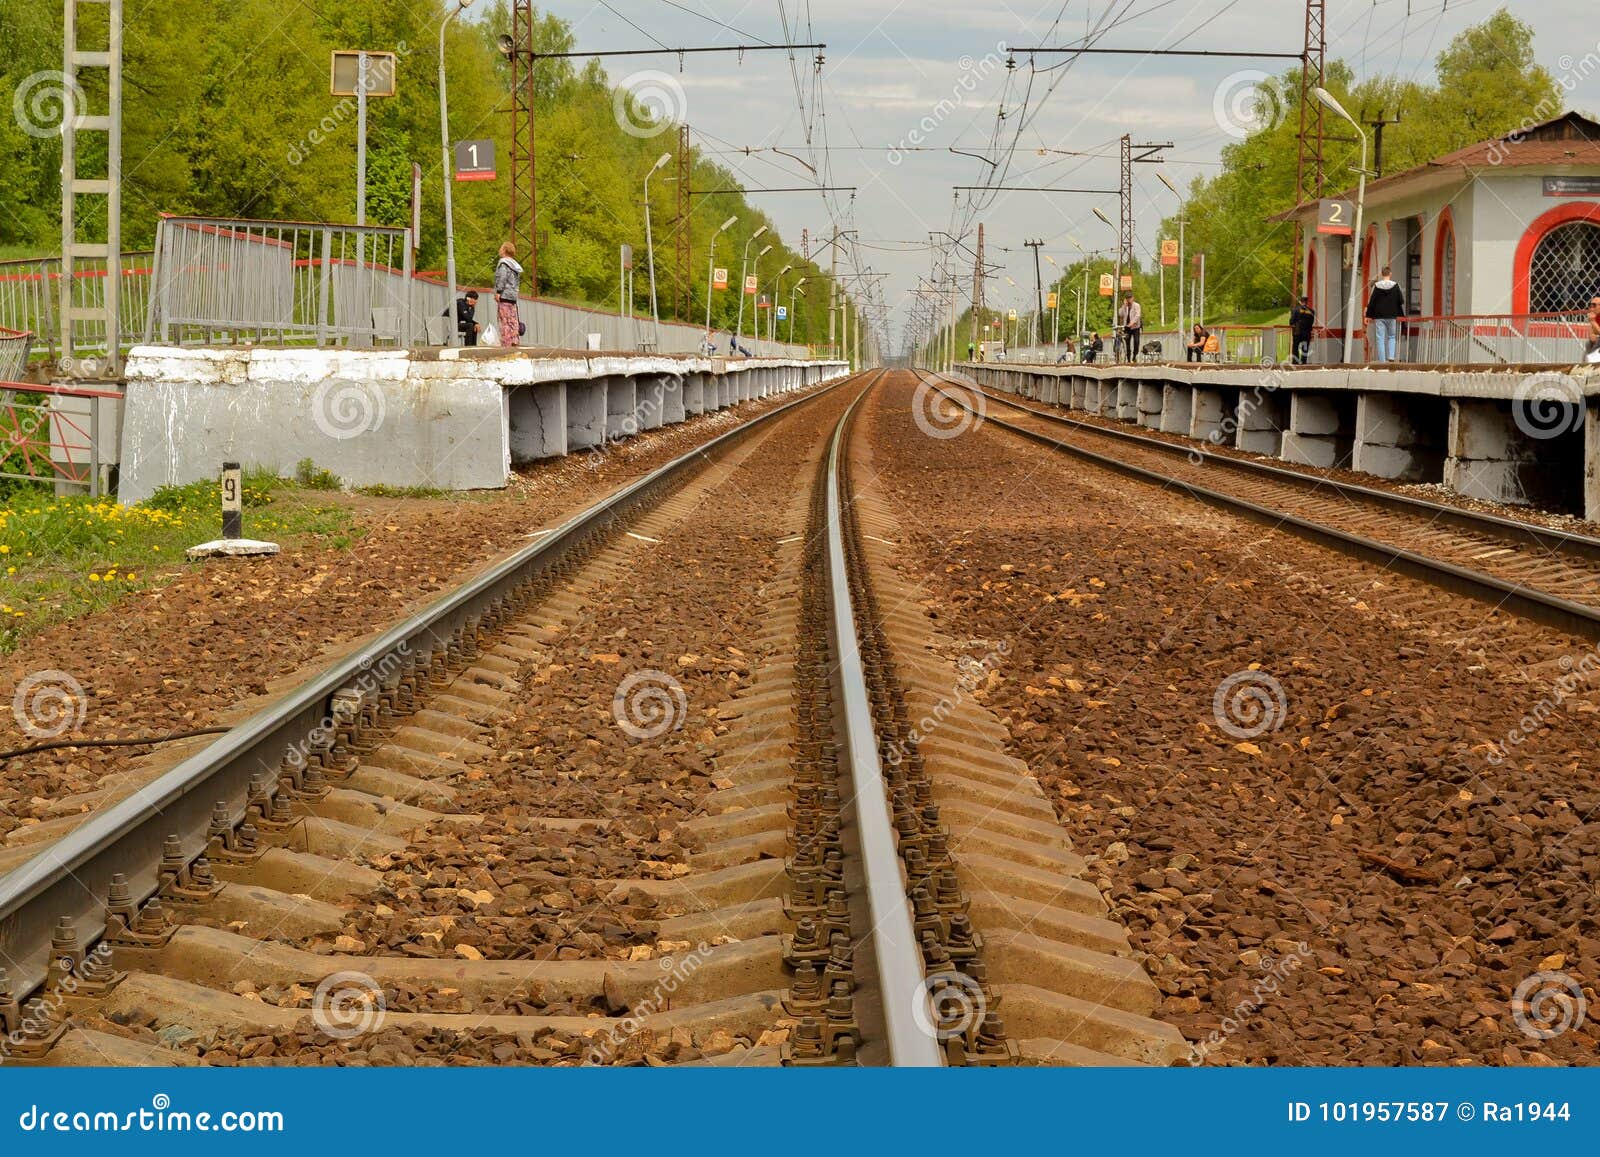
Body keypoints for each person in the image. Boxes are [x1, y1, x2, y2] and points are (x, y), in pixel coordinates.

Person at [1364, 266, 1405, 363]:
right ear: (1390, 274)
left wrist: (1368, 315)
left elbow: (1372, 302)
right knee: (1392, 336)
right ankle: (1391, 356)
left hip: (1379, 316)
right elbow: (1401, 301)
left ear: (1382, 274)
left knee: (1380, 338)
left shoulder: (1376, 286)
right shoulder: (1396, 285)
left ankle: (1382, 361)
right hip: (1392, 315)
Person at [494, 242, 523, 349]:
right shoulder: (515, 265)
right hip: (513, 295)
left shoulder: (503, 263)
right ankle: (514, 340)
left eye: (501, 248)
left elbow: (502, 278)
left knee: (505, 319)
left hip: (505, 295)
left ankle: (507, 342)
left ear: (504, 250)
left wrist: (498, 291)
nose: (499, 250)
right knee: (513, 319)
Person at [1117, 293, 1143, 363]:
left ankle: (1134, 356)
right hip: (1127, 327)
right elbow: (1120, 314)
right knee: (1127, 343)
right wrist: (1124, 306)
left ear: (1133, 298)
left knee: (1136, 342)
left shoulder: (1137, 305)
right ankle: (1128, 358)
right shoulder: (1125, 306)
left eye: (1130, 298)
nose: (1129, 299)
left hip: (1135, 327)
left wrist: (1132, 322)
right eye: (1127, 298)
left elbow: (1138, 315)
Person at [1289, 295, 1315, 365]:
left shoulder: (1295, 310)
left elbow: (1291, 321)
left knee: (1295, 347)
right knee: (1305, 347)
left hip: (1297, 332)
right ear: (1307, 302)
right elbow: (1311, 322)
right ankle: (1303, 362)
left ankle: (1295, 362)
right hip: (1306, 333)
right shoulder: (1311, 311)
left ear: (1300, 301)